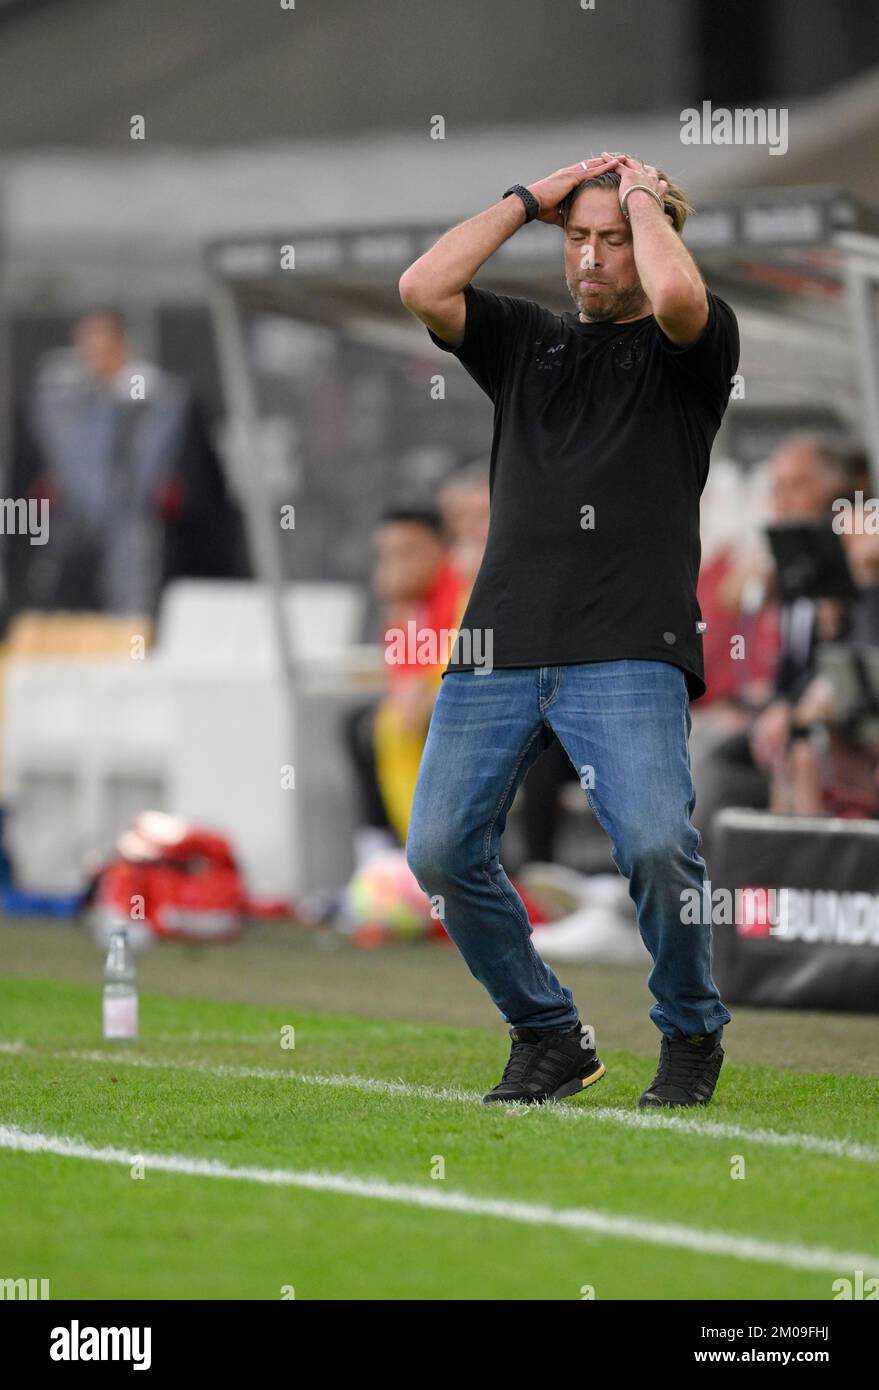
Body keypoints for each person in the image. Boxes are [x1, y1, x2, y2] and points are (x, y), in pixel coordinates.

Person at [399, 153, 739, 1109]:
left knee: (656, 847)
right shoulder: (525, 340)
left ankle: (691, 1031)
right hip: (499, 643)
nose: (591, 257)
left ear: (652, 236)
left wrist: (640, 196)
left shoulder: (691, 344)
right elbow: (423, 285)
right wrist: (527, 201)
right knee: (438, 853)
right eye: (579, 238)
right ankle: (547, 1033)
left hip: (630, 644)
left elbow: (678, 294)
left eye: (615, 240)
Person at [8, 308, 247, 623]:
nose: (94, 357)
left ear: (122, 345)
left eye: (102, 347)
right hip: (85, 560)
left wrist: (168, 503)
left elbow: (199, 489)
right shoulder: (66, 411)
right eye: (87, 348)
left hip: (155, 555)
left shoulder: (170, 404)